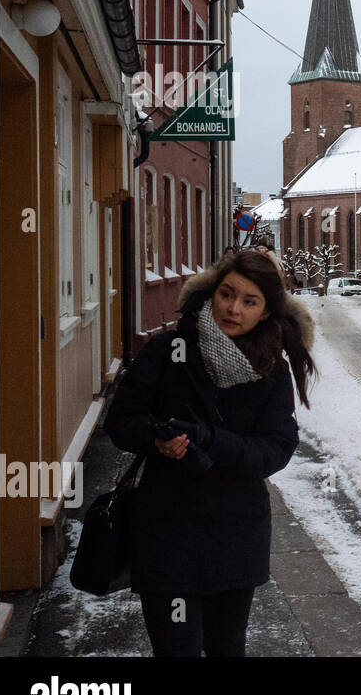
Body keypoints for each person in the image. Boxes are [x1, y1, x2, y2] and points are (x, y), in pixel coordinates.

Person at [103, 250, 316, 656]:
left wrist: (211, 440)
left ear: (266, 313)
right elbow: (120, 421)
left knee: (226, 648)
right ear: (211, 294)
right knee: (176, 649)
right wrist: (155, 437)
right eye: (226, 294)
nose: (233, 309)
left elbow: (277, 448)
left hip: (234, 538)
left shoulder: (270, 368)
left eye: (249, 302)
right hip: (166, 533)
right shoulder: (168, 351)